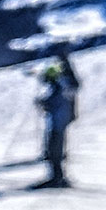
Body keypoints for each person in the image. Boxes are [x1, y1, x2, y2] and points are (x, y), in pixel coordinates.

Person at [33, 57, 78, 189]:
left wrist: (43, 103)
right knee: (54, 150)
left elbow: (55, 103)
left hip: (57, 123)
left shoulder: (59, 87)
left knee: (54, 151)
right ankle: (57, 177)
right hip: (59, 122)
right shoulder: (62, 85)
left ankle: (57, 178)